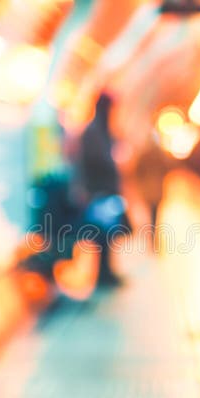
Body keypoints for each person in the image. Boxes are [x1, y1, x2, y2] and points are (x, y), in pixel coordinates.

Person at [74, 93, 123, 286]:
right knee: (102, 236)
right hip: (99, 192)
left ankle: (107, 272)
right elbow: (99, 161)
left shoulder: (100, 130)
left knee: (107, 235)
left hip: (104, 191)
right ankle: (103, 275)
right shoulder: (94, 131)